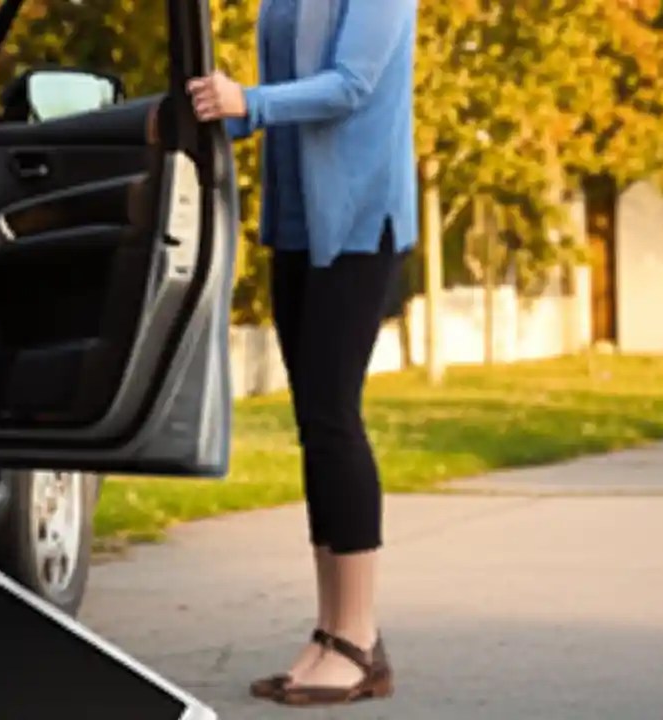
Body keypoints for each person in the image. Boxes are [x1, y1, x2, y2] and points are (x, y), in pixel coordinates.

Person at [186, 0, 420, 707]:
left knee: (334, 420)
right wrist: (234, 110)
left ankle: (359, 640)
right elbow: (287, 82)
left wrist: (249, 99)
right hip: (297, 223)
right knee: (314, 426)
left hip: (356, 222)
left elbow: (352, 83)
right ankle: (332, 633)